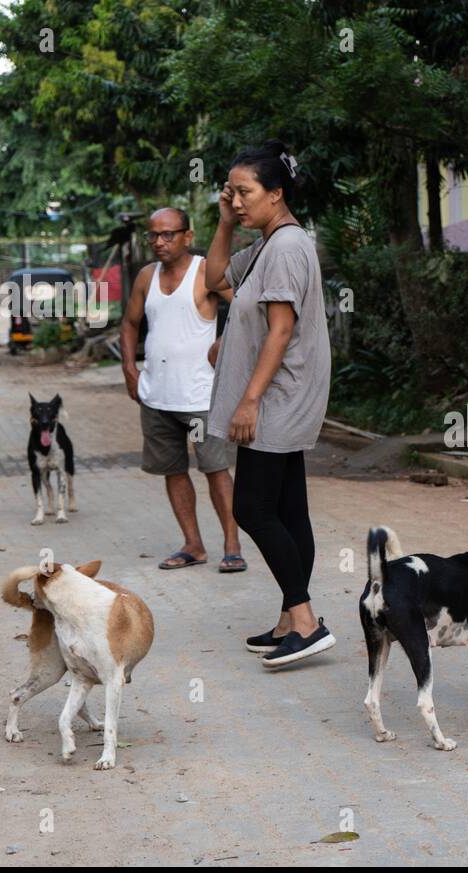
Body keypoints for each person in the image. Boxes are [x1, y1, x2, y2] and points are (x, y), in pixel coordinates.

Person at [204, 139, 335, 669]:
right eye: (230, 191)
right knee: (288, 509)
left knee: (251, 508)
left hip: (277, 398)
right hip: (282, 396)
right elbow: (215, 281)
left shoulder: (284, 248)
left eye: (245, 192)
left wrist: (248, 401)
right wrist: (225, 223)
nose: (235, 199)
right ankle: (290, 618)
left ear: (276, 193)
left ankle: (305, 620)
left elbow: (281, 329)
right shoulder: (267, 243)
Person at [120, 207, 245, 574]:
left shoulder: (206, 271)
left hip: (200, 397)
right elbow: (129, 323)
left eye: (168, 234)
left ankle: (232, 546)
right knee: (172, 470)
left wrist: (224, 342)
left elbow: (246, 308)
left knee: (215, 468)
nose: (159, 242)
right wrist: (129, 367)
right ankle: (193, 545)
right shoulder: (146, 276)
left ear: (187, 236)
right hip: (157, 396)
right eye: (154, 235)